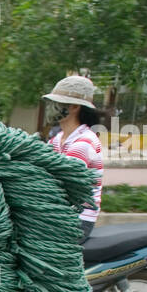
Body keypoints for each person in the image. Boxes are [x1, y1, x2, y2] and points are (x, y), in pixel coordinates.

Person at [43, 75, 104, 240]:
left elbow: (60, 183)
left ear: (74, 107)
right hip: (62, 214)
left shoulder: (83, 142)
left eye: (56, 103)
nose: (50, 108)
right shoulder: (57, 139)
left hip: (78, 219)